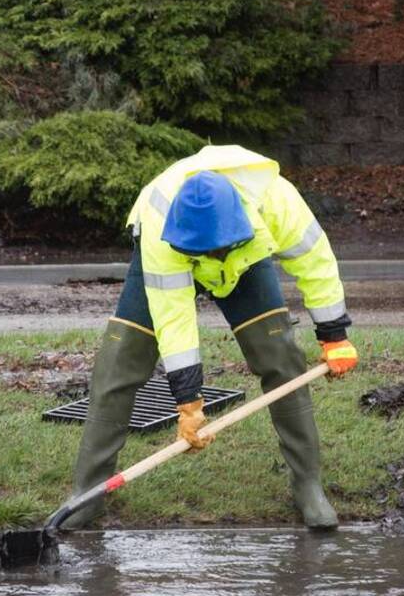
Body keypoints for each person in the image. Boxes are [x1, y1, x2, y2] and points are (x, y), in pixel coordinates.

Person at [65, 144, 358, 529]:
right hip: (171, 251)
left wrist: (333, 335)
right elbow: (174, 319)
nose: (211, 259)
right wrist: (189, 403)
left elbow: (316, 263)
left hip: (245, 263)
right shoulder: (161, 229)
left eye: (217, 250)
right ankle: (87, 495)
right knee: (119, 363)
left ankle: (308, 486)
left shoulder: (276, 202)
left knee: (281, 357)